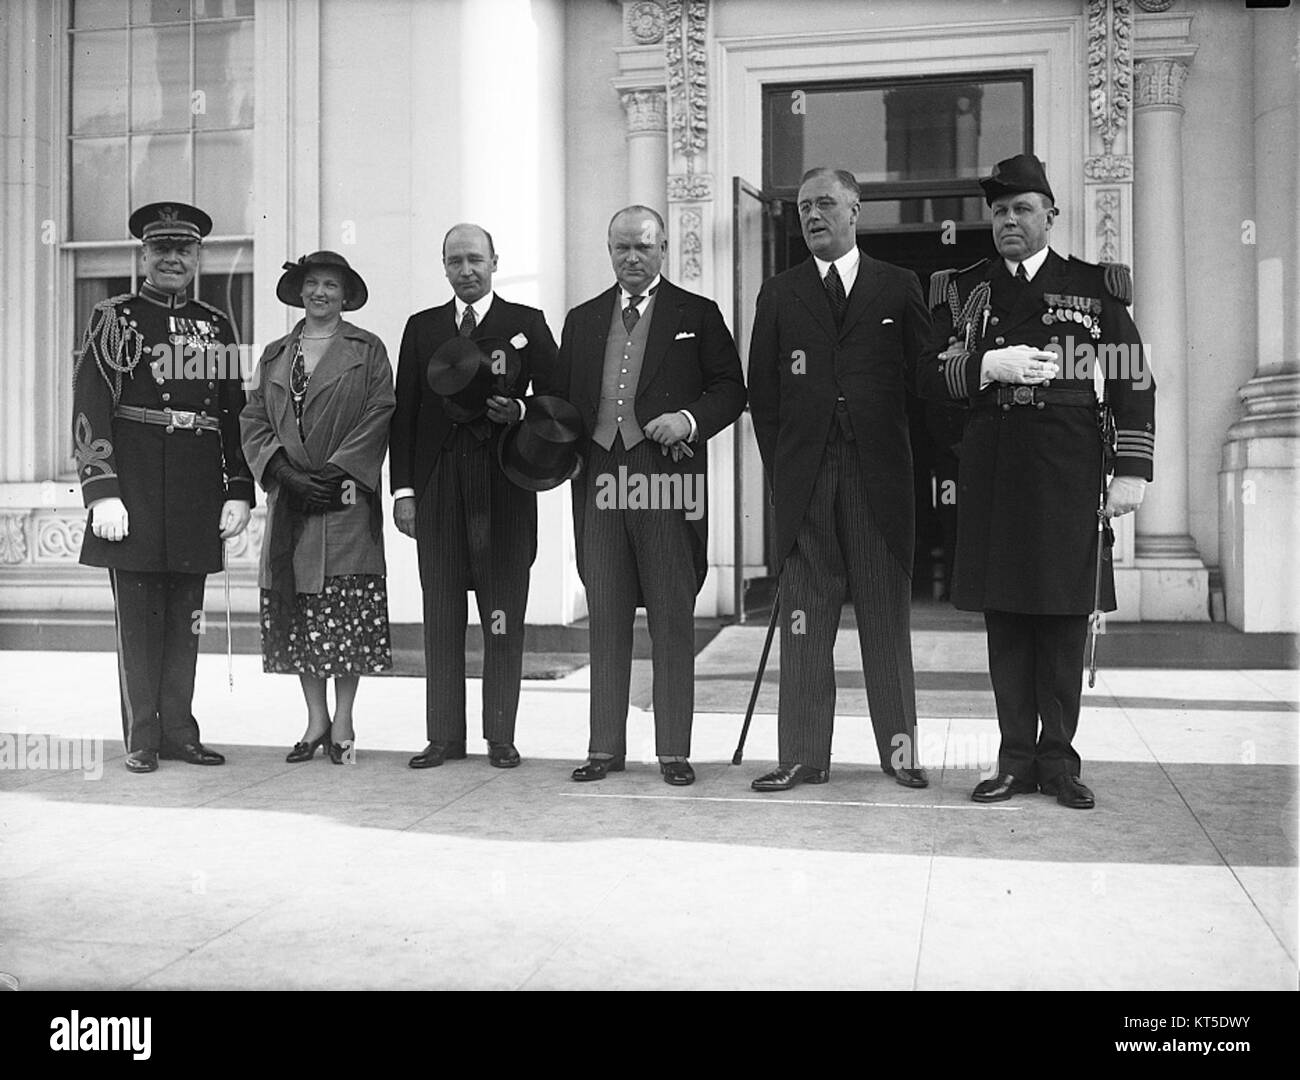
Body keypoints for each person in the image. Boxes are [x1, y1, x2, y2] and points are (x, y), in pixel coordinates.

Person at [918, 153, 1155, 809]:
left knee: (1061, 618)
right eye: (998, 212)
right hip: (994, 468)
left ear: (1051, 214)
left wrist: (1131, 468)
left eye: (1022, 208)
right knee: (1007, 621)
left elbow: (1133, 378)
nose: (1008, 222)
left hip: (1067, 469)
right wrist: (986, 364)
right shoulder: (964, 289)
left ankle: (1059, 763)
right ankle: (1015, 759)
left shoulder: (1092, 288)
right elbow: (929, 376)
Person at [747, 168, 932, 793]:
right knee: (804, 622)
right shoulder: (779, 293)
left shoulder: (898, 286)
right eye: (802, 207)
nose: (811, 215)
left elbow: (924, 386)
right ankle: (802, 756)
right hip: (806, 485)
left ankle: (900, 753)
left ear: (856, 209)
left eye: (825, 203)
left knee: (884, 621)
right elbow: (763, 397)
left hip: (878, 479)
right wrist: (788, 470)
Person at [550, 205, 745, 786]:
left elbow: (731, 389)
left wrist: (688, 419)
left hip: (666, 479)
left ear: (663, 248)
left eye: (643, 248)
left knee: (670, 617)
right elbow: (562, 402)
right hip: (600, 480)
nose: (631, 259)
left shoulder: (698, 314)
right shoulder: (583, 319)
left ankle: (673, 751)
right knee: (605, 614)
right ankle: (605, 748)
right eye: (621, 249)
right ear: (609, 251)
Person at [73, 201, 253, 773]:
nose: (172, 258)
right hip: (137, 487)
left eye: (184, 249)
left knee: (187, 615)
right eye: (162, 249)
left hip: (198, 488)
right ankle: (142, 737)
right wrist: (102, 490)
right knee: (140, 616)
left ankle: (179, 730)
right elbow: (90, 406)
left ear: (198, 257)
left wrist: (238, 487)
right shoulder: (113, 317)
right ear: (144, 255)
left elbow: (232, 411)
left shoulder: (215, 326)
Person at [389, 224, 558, 770]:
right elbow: (405, 414)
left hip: (505, 485)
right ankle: (443, 736)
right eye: (456, 261)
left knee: (503, 610)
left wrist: (524, 410)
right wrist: (405, 492)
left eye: (476, 260)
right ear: (444, 267)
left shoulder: (524, 324)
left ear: (494, 262)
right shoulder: (422, 328)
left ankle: (500, 736)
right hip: (438, 485)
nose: (467, 270)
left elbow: (560, 396)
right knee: (440, 610)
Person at [241, 252, 395, 764]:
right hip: (292, 499)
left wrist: (335, 473)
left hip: (344, 497)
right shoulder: (276, 354)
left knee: (345, 606)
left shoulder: (367, 349)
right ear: (299, 292)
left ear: (346, 294)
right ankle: (315, 720)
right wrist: (284, 472)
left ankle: (345, 719)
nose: (320, 293)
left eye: (331, 285)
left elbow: (380, 412)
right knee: (303, 608)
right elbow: (254, 418)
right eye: (312, 284)